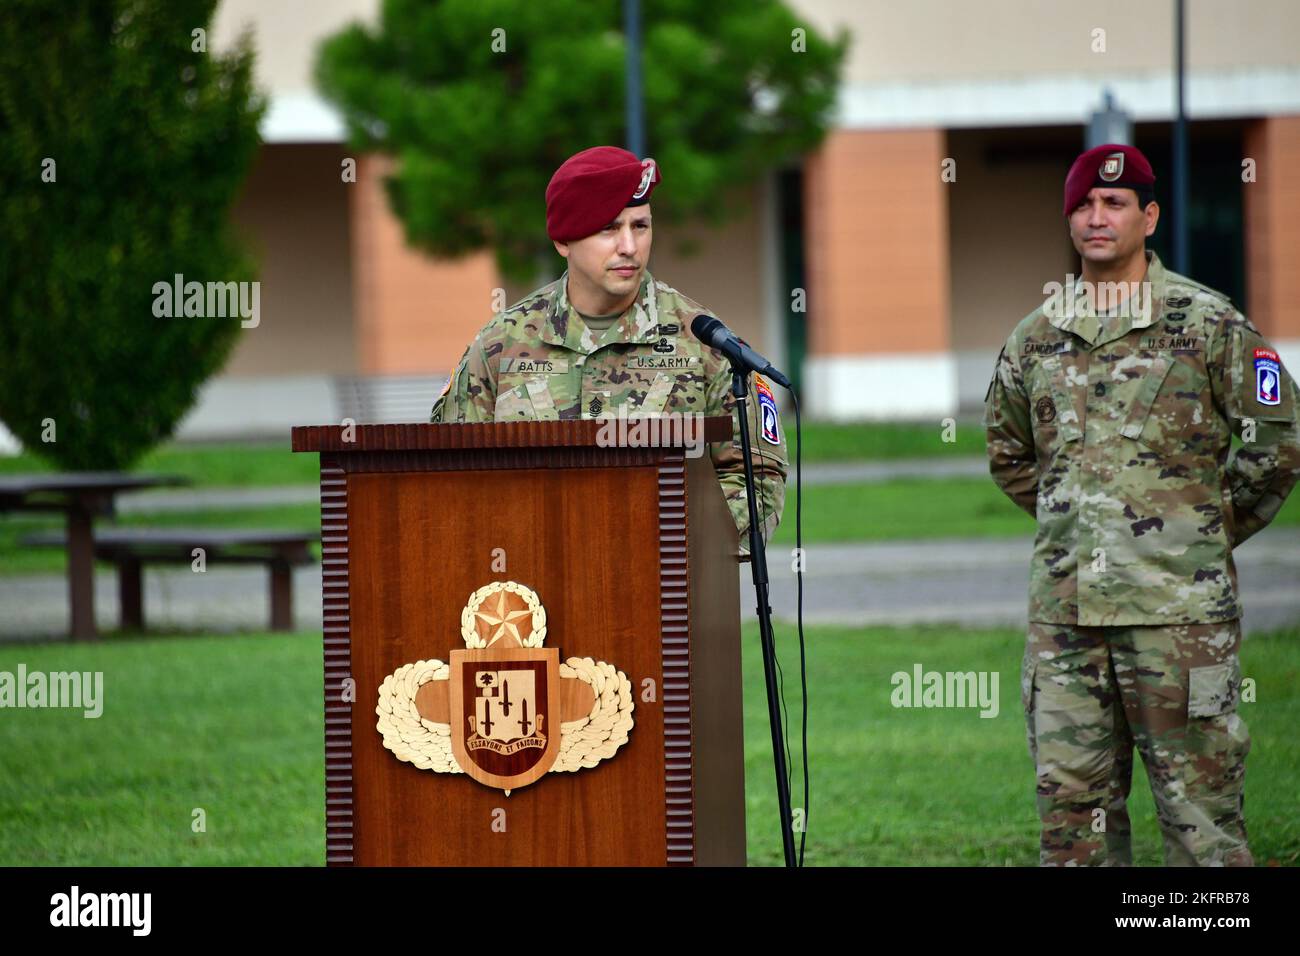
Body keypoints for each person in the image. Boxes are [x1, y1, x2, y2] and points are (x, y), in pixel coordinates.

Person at [983, 142, 1300, 866]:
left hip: (1179, 622)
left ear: (1149, 216)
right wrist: (1080, 526)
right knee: (1072, 822)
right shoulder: (1034, 340)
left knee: (1202, 820)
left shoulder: (1209, 325)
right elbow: (1008, 453)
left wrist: (1199, 534)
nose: (1098, 217)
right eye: (1084, 204)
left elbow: (1276, 445)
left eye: (1116, 203)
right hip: (1066, 624)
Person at [431, 145, 788, 547]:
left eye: (640, 226)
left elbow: (757, 479)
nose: (629, 247)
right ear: (564, 240)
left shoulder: (704, 342)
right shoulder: (501, 344)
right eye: (608, 229)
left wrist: (667, 546)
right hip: (527, 590)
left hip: (664, 593)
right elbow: (449, 476)